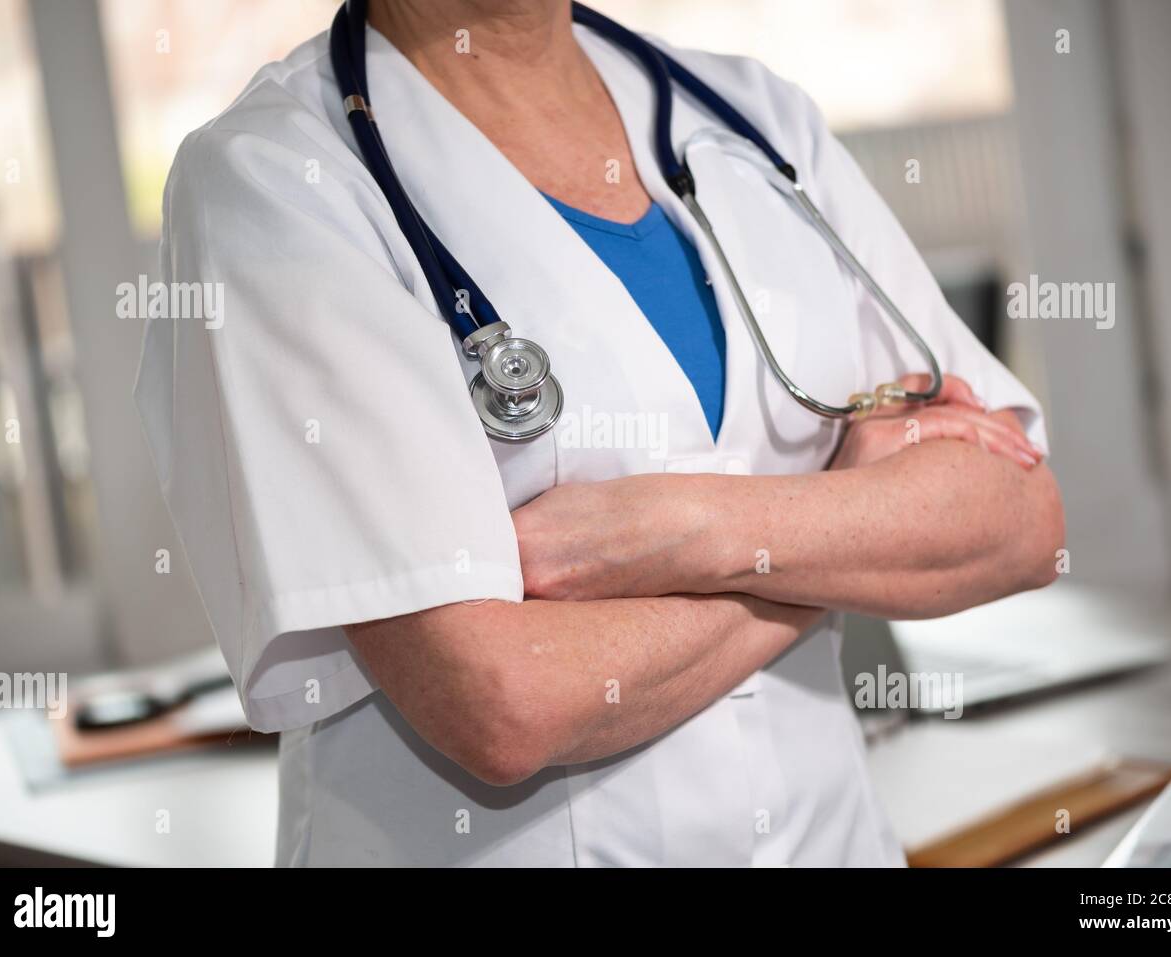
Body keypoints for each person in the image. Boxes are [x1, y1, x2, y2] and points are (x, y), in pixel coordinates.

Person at [134, 0, 1063, 866]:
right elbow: (502, 701)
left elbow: (1019, 518)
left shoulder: (753, 120)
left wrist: (692, 528)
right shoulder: (277, 178)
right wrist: (855, 530)